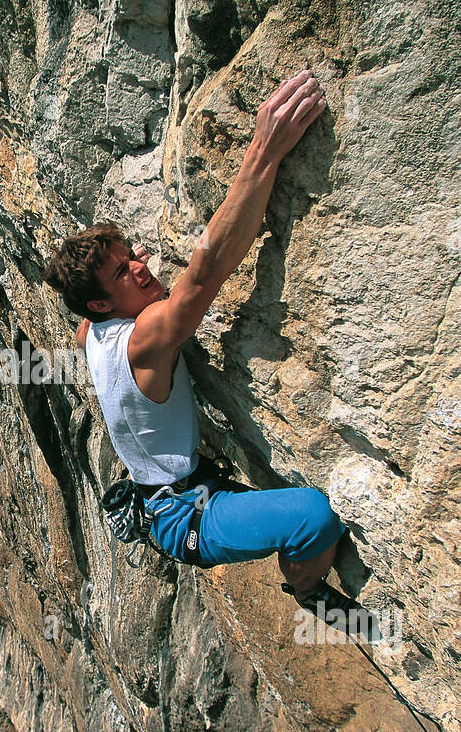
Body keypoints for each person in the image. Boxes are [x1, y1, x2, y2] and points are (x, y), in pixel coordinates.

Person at [41, 69, 348, 607]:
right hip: (186, 517)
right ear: (100, 303)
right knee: (313, 517)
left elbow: (85, 328)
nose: (140, 268)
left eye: (132, 255)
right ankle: (307, 592)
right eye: (122, 274)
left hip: (168, 489)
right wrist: (263, 151)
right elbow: (205, 276)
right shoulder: (142, 339)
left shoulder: (91, 329)